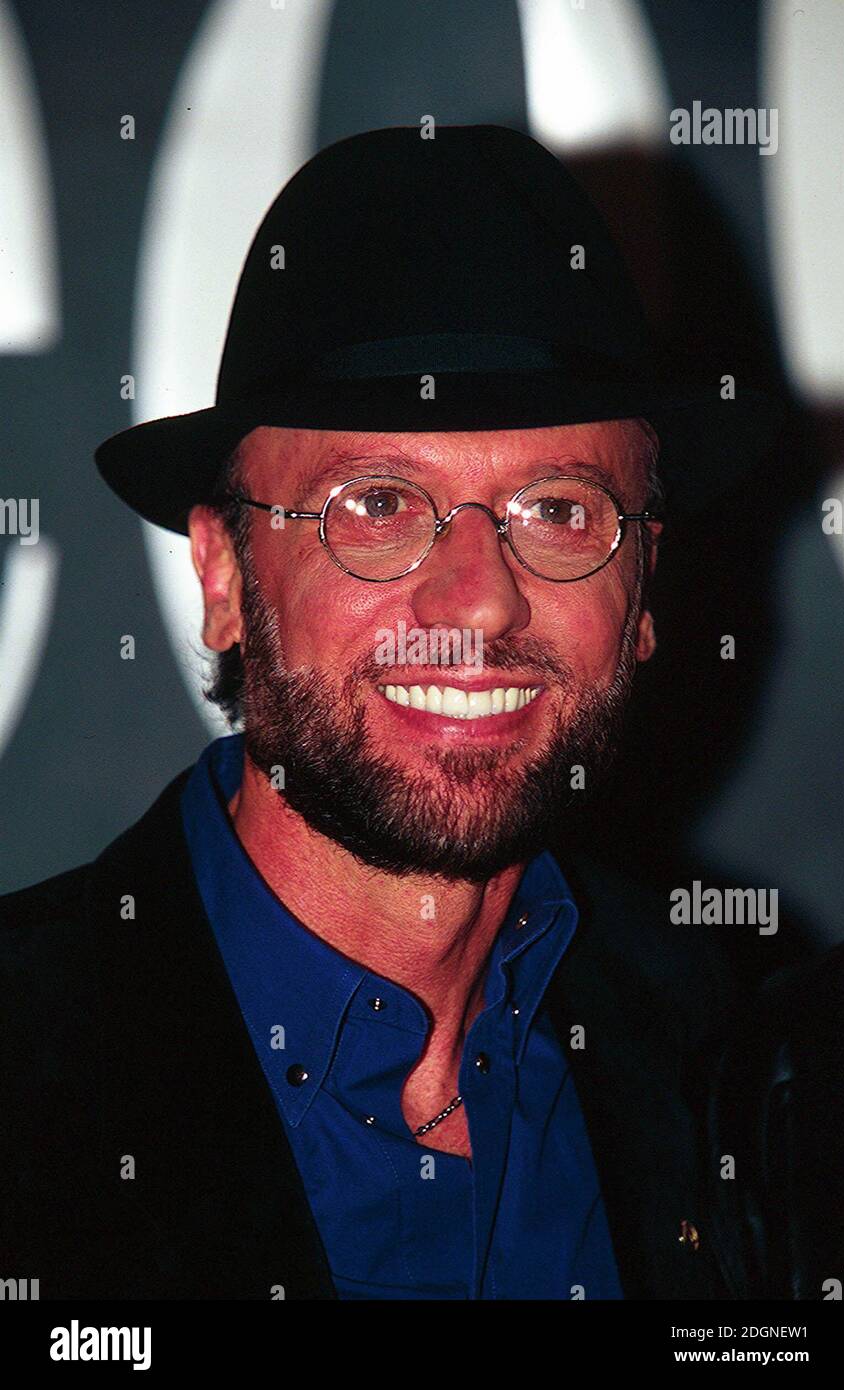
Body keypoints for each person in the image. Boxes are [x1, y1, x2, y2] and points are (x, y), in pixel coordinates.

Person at [0, 124, 779, 1300]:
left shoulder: (744, 1069)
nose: (478, 601)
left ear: (644, 592)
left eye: (560, 511)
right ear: (224, 577)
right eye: (377, 502)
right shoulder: (30, 1060)